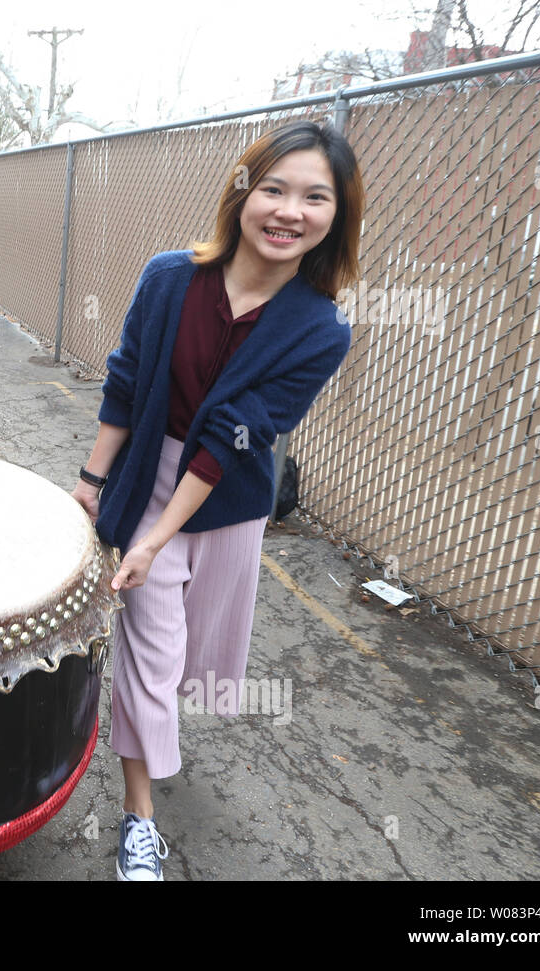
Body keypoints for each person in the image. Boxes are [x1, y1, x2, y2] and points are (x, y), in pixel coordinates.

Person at [70, 120, 364, 881]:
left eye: (314, 196)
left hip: (229, 501)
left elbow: (239, 434)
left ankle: (160, 728)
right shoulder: (171, 278)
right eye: (273, 187)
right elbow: (127, 382)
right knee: (149, 649)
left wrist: (162, 535)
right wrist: (94, 486)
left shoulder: (321, 328)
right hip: (150, 482)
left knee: (200, 659)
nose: (288, 210)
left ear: (337, 215)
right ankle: (141, 814)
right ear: (242, 191)